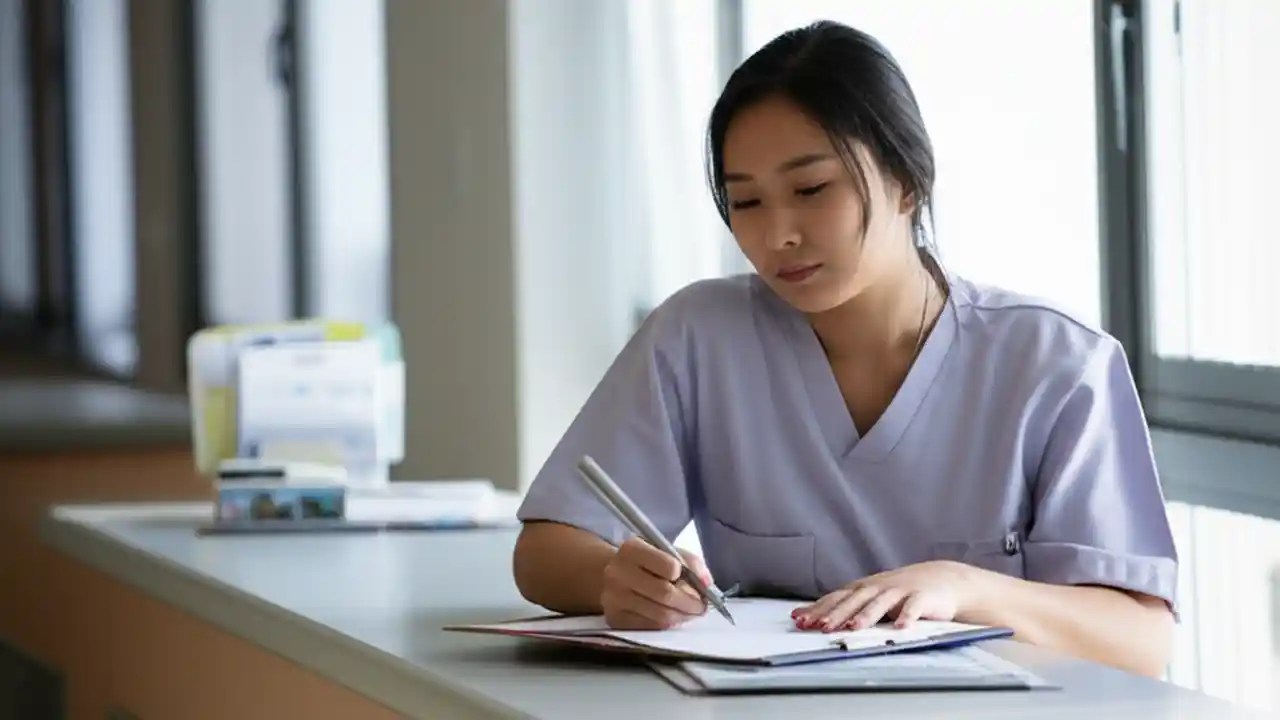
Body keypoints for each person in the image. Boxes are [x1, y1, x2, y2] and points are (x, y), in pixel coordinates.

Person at [512, 20, 1176, 677]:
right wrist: (615, 579)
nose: (778, 235)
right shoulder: (698, 337)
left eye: (811, 191)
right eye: (746, 201)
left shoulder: (1055, 364)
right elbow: (544, 549)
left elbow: (1140, 639)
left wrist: (965, 589)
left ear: (906, 179)